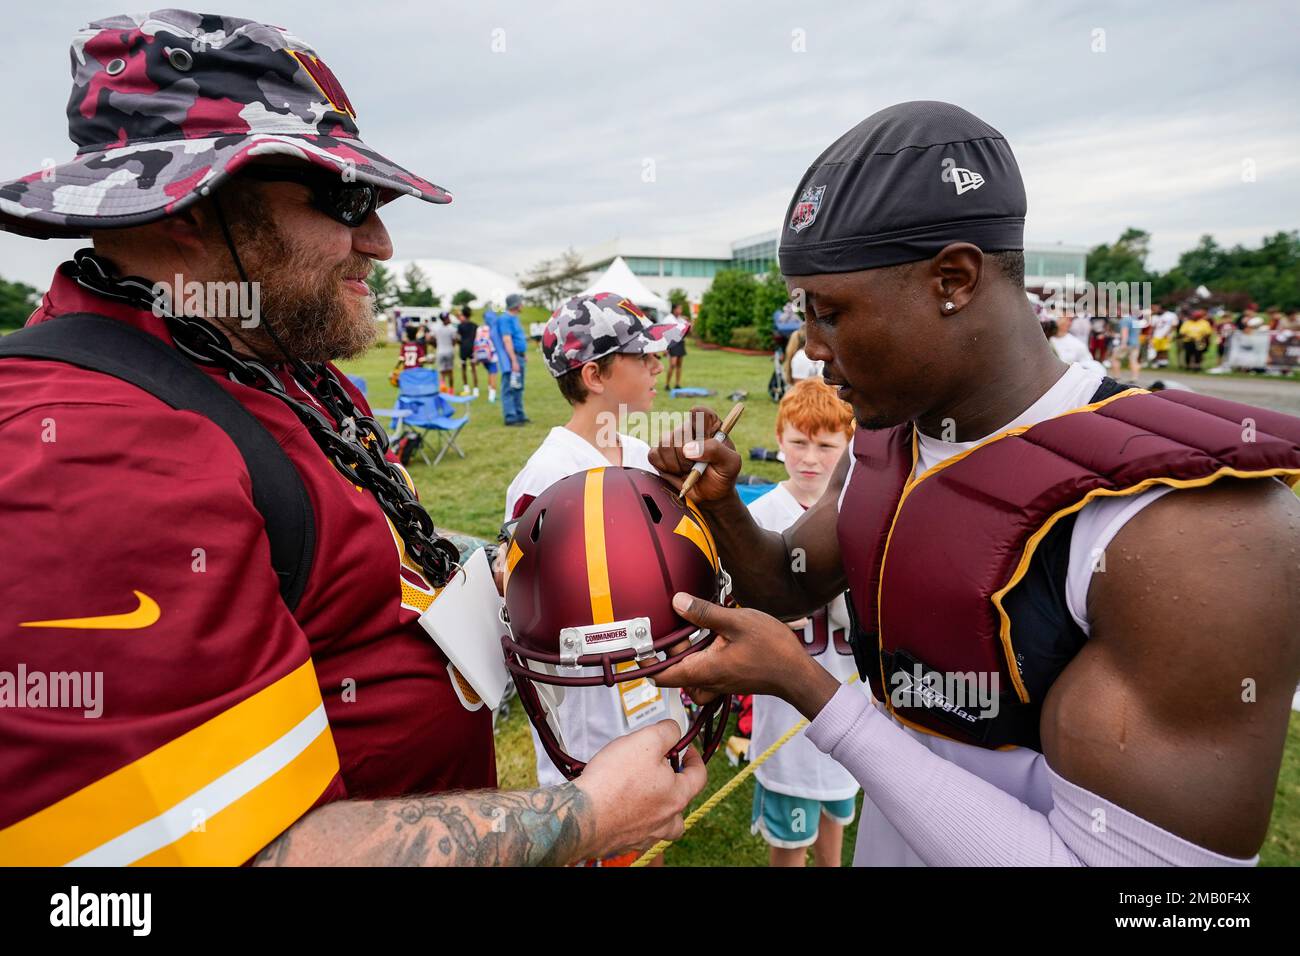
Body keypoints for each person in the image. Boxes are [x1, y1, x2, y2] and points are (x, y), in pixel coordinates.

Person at [0, 9, 704, 867]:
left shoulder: (266, 355)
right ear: (187, 207)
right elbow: (220, 858)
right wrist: (587, 818)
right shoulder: (89, 447)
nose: (380, 239)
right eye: (345, 198)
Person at [647, 100, 1300, 867]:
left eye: (829, 312)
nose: (812, 348)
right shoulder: (894, 435)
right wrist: (724, 507)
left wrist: (816, 694)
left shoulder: (1188, 525)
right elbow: (787, 585)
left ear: (953, 279)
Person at [503, 292, 687, 864]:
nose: (659, 365)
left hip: (651, 687)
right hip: (593, 713)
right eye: (642, 355)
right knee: (605, 838)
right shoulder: (546, 482)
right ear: (594, 374)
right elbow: (542, 622)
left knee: (650, 830)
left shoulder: (639, 453)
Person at [746, 379, 861, 867]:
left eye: (826, 445)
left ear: (849, 447)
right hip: (788, 719)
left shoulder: (862, 513)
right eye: (798, 442)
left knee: (836, 821)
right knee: (791, 845)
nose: (810, 458)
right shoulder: (759, 518)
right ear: (779, 440)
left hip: (853, 709)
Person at [498, 293, 530, 426]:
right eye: (520, 302)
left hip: (519, 356)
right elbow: (507, 340)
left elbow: (517, 337)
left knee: (518, 387)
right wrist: (514, 360)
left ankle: (519, 414)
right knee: (509, 388)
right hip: (512, 358)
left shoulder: (515, 318)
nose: (522, 304)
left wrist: (523, 354)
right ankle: (510, 417)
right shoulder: (505, 319)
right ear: (515, 304)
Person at [429, 311, 458, 393]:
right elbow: (454, 340)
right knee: (450, 371)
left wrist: (435, 345)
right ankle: (451, 390)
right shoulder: (452, 329)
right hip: (449, 351)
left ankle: (442, 388)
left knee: (442, 372)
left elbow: (430, 338)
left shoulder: (436, 328)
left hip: (440, 351)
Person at [663, 301, 689, 390]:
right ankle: (667, 384)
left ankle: (677, 384)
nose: (680, 310)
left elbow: (687, 328)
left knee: (679, 364)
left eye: (681, 309)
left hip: (680, 342)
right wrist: (665, 348)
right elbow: (664, 333)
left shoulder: (681, 319)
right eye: (679, 308)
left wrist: (689, 321)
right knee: (672, 364)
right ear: (674, 309)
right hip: (672, 343)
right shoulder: (668, 319)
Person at [456, 304, 479, 396]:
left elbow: (458, 337)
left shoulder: (460, 326)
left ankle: (466, 388)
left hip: (463, 348)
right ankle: (476, 390)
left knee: (464, 369)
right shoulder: (475, 325)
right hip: (473, 348)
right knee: (473, 369)